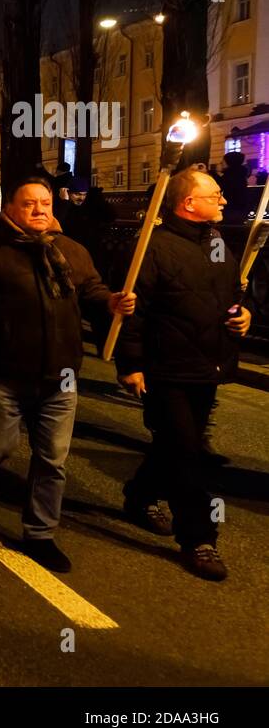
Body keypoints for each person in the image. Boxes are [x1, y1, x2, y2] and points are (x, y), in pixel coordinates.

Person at [0, 176, 133, 573]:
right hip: (5, 375)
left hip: (60, 378)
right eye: (29, 204)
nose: (40, 210)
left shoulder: (71, 251)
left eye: (45, 202)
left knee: (52, 459)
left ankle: (40, 533)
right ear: (9, 209)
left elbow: (91, 291)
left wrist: (112, 301)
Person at [115, 167, 250, 581]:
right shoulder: (152, 248)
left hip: (206, 365)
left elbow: (227, 294)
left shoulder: (215, 241)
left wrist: (243, 314)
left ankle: (139, 496)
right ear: (189, 203)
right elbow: (134, 312)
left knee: (175, 446)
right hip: (165, 368)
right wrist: (131, 364)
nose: (224, 200)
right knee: (188, 451)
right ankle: (198, 537)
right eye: (216, 195)